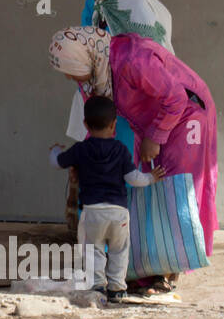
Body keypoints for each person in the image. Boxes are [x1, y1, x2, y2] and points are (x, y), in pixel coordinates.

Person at [48, 26, 218, 294]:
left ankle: (166, 272)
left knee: (174, 189)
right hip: (156, 122)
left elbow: (175, 98)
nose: (70, 76)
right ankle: (149, 267)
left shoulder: (132, 61)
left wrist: (155, 136)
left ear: (86, 57)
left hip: (186, 117)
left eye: (71, 68)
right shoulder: (102, 70)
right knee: (152, 186)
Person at [64, 0, 174, 232]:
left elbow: (154, 55)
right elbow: (87, 41)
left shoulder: (138, 6)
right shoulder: (96, 3)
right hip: (103, 98)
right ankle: (94, 237)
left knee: (128, 167)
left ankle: (133, 244)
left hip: (135, 102)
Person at [51, 95, 166, 302]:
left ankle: (97, 286)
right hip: (118, 213)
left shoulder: (81, 149)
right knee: (119, 251)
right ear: (114, 125)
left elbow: (57, 162)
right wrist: (151, 178)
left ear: (85, 124)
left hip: (92, 212)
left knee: (93, 250)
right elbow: (134, 179)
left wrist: (55, 150)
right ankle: (117, 289)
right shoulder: (121, 150)